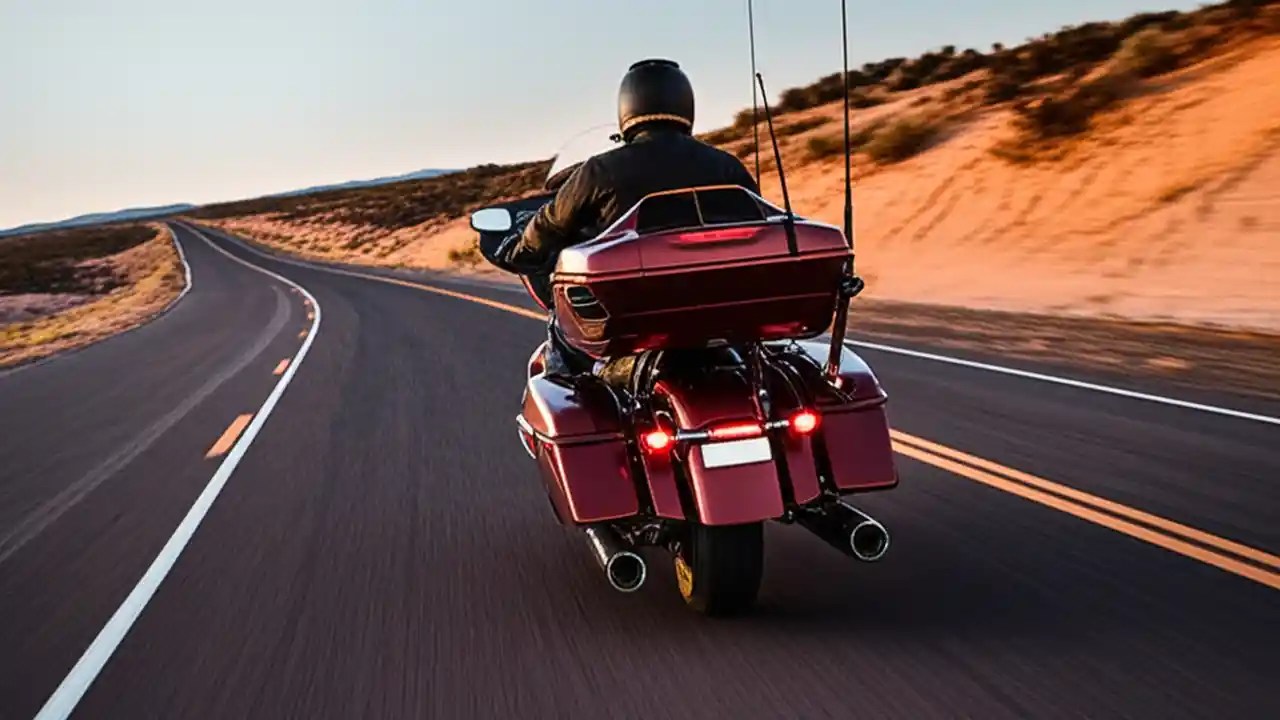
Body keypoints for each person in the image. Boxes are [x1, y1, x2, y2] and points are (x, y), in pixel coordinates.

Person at [497, 58, 761, 378]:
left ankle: (574, 399)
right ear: (684, 105)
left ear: (627, 109)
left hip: (633, 328)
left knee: (562, 330)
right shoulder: (728, 167)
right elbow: (761, 227)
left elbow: (550, 224)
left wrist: (517, 252)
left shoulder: (600, 170)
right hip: (721, 320)